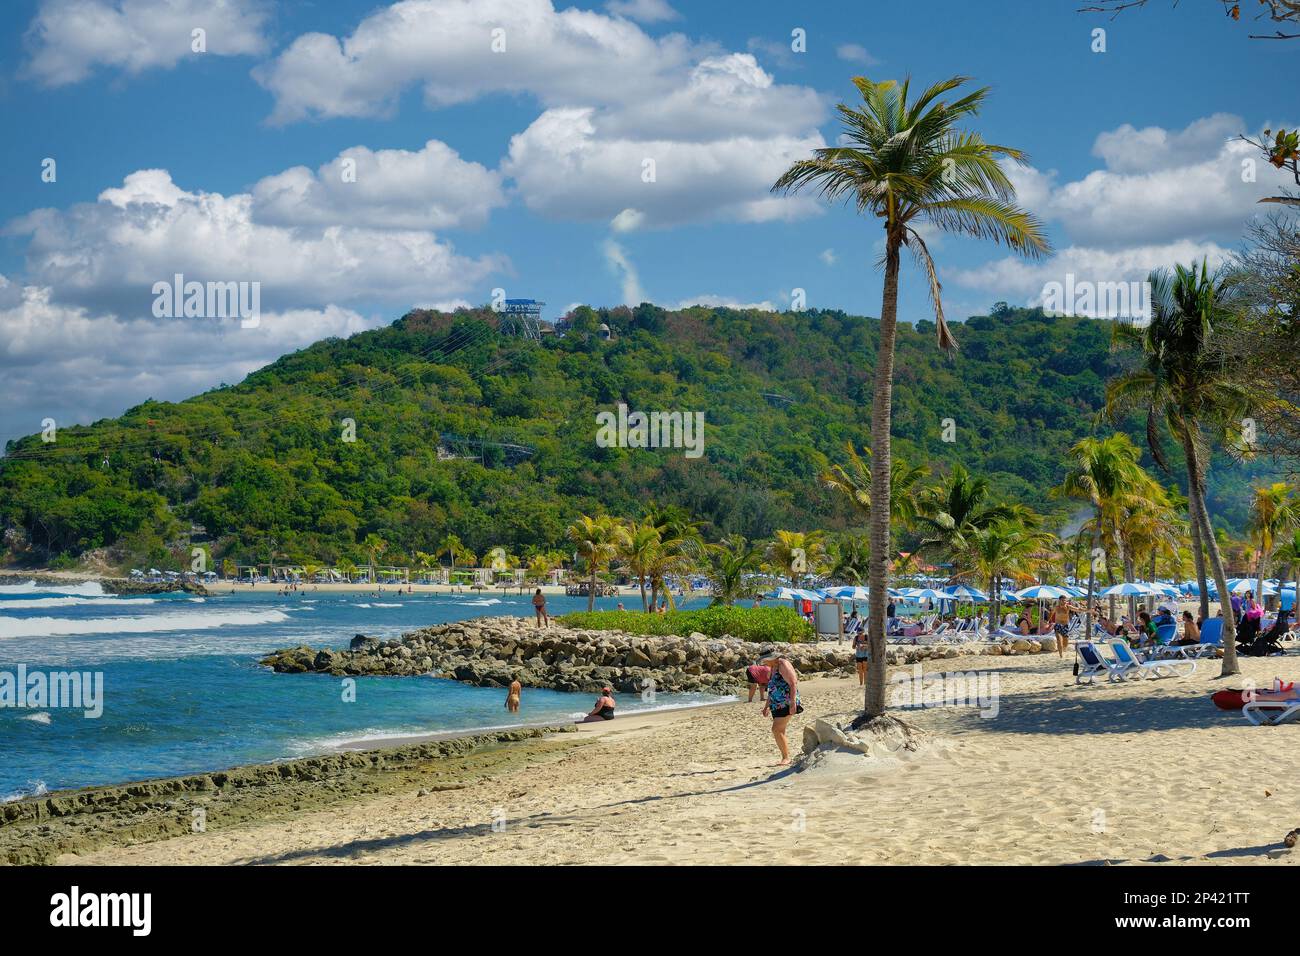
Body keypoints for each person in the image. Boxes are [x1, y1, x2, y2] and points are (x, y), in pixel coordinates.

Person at [761, 656, 802, 765]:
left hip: (786, 702)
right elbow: (772, 689)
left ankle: (786, 757)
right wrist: (767, 706)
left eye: (765, 660)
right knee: (780, 730)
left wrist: (793, 703)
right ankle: (785, 756)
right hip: (776, 704)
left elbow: (793, 683)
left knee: (776, 729)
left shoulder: (783, 664)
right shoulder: (773, 667)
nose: (763, 662)